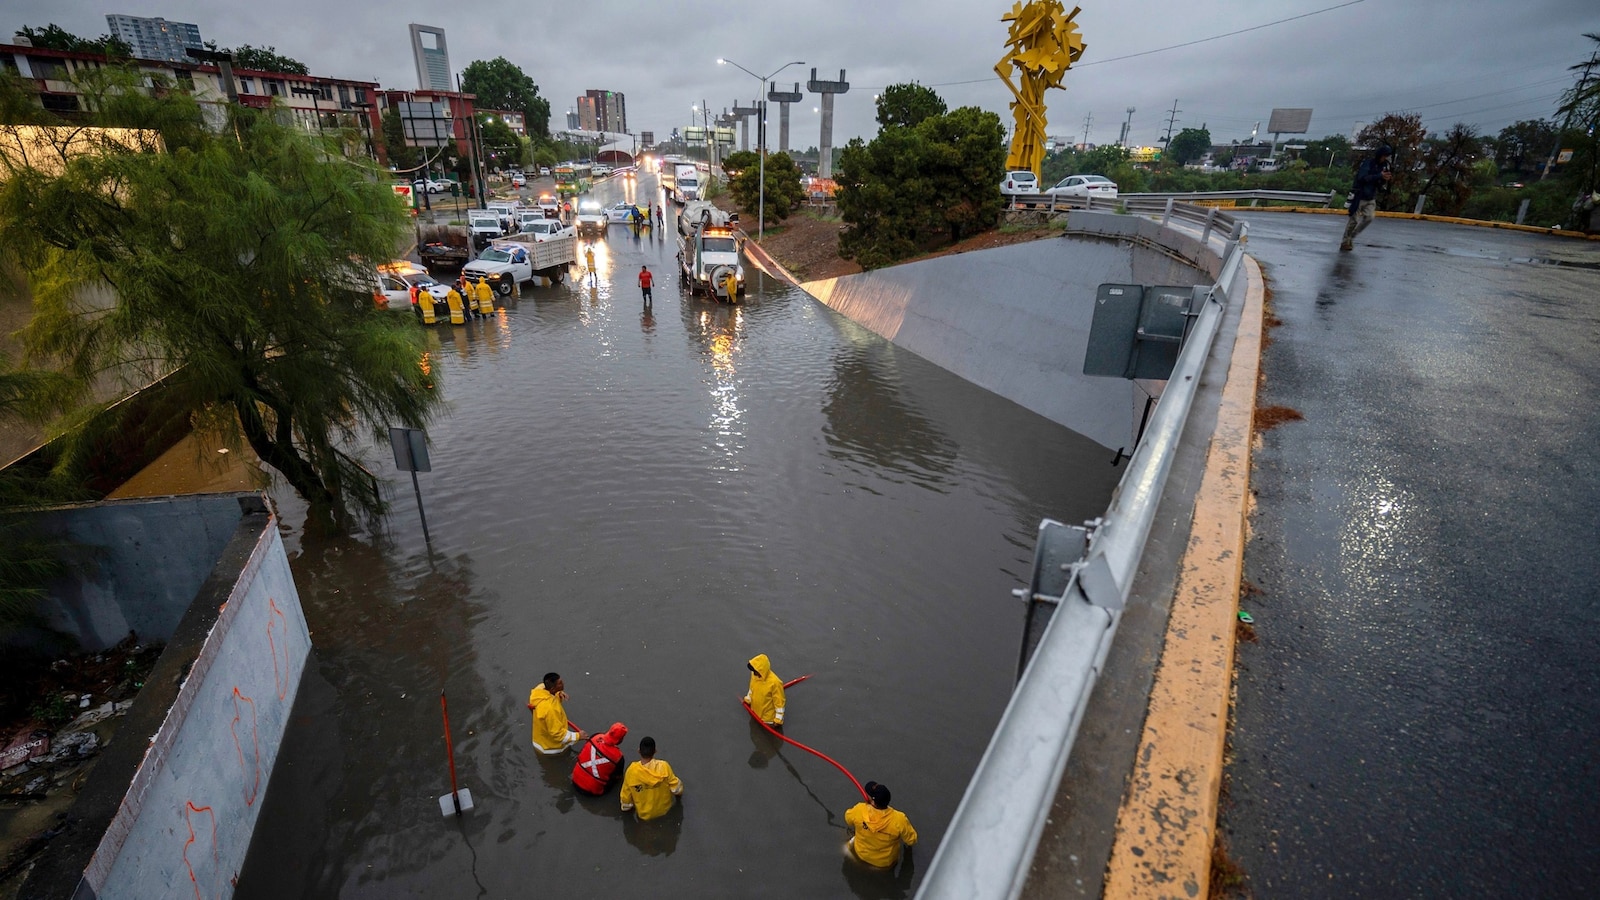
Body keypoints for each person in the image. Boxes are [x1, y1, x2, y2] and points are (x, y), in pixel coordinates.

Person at [845, 781, 918, 868]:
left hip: (861, 855)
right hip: (885, 863)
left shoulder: (860, 809)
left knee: (848, 843)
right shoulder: (899, 819)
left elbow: (848, 819)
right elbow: (912, 840)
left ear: (873, 801)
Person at [1341, 144, 1393, 252]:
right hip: (1360, 195)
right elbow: (1362, 178)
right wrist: (1379, 176)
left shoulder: (1384, 166)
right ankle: (1345, 241)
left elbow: (1380, 181)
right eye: (1385, 155)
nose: (1386, 158)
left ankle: (1352, 237)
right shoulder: (1368, 163)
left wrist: (1384, 180)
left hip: (1371, 197)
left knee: (1369, 218)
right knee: (1354, 220)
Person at [620, 736, 683, 820]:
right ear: (655, 751)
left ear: (639, 751)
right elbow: (677, 789)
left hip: (644, 815)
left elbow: (626, 798)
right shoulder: (664, 767)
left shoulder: (631, 772)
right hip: (665, 811)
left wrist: (626, 809)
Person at [528, 672, 585, 755]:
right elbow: (557, 734)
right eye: (560, 683)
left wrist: (558, 693)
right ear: (552, 689)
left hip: (540, 740)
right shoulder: (550, 709)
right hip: (551, 748)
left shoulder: (539, 690)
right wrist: (578, 736)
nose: (563, 683)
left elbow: (549, 695)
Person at [572, 722, 628, 795]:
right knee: (618, 778)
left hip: (575, 779)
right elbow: (618, 776)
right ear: (620, 740)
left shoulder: (595, 736)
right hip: (592, 791)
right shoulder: (619, 757)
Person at [744, 653, 786, 726]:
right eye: (753, 671)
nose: (754, 673)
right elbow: (752, 688)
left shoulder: (775, 683)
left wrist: (778, 719)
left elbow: (779, 702)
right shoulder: (754, 675)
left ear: (761, 671)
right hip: (755, 712)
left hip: (767, 720)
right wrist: (748, 698)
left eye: (756, 671)